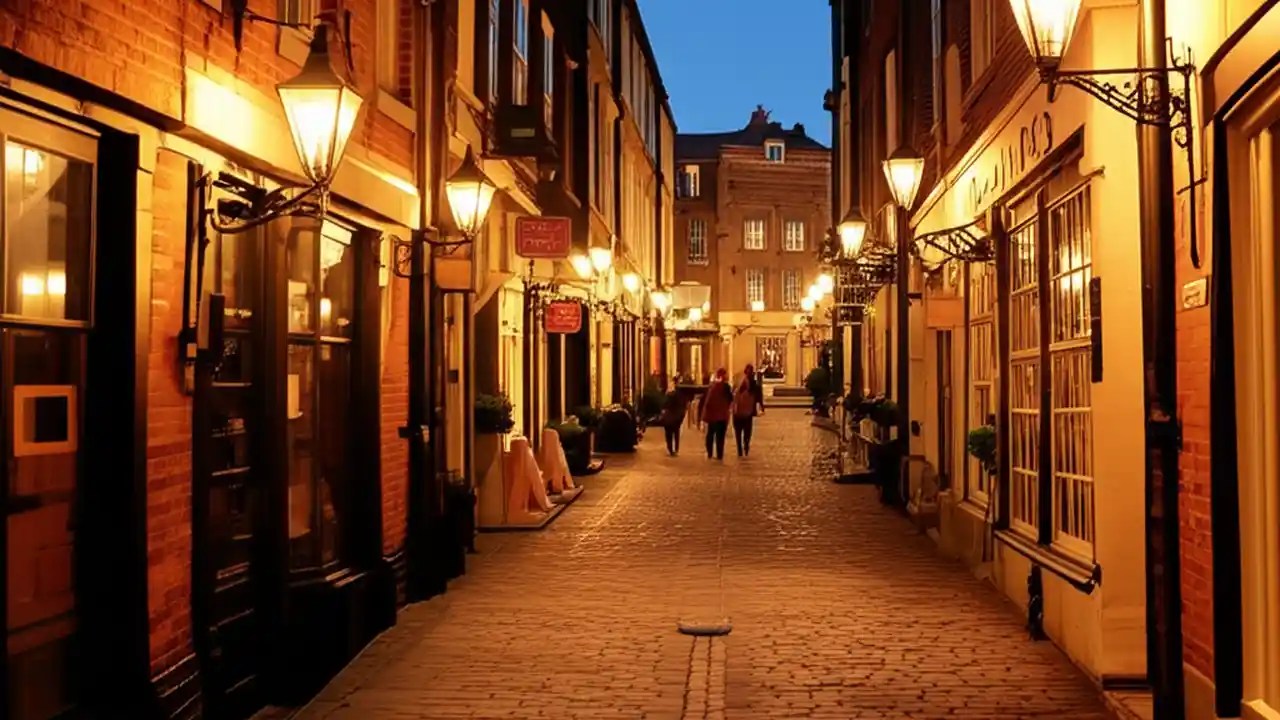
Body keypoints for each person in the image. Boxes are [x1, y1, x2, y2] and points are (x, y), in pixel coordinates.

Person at [732, 363, 766, 456]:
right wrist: (762, 407)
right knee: (747, 432)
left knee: (739, 432)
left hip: (738, 413)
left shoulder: (739, 384)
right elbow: (759, 397)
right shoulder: (753, 385)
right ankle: (745, 446)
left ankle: (740, 449)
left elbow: (733, 397)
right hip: (747, 412)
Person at [699, 368, 733, 460]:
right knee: (720, 437)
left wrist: (704, 416)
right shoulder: (726, 387)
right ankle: (719, 454)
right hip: (722, 416)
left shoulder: (712, 387)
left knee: (711, 435)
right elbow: (730, 400)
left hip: (713, 416)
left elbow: (707, 403)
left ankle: (710, 452)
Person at [659, 376, 687, 456]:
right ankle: (676, 449)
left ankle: (671, 449)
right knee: (676, 433)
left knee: (669, 434)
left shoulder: (669, 394)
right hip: (676, 417)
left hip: (669, 418)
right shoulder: (680, 395)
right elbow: (682, 406)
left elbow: (664, 405)